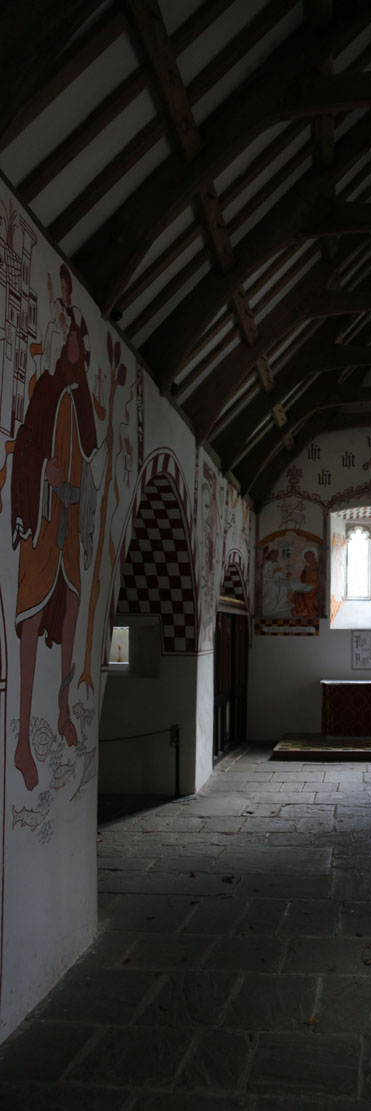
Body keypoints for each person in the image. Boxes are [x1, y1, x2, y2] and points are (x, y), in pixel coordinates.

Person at [10, 264, 98, 790]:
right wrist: (44, 469)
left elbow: (90, 443)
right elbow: (24, 443)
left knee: (70, 615)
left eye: (79, 346)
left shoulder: (77, 392)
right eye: (70, 341)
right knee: (30, 614)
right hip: (43, 519)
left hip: (68, 525)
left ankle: (64, 707)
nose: (73, 350)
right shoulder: (44, 388)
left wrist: (85, 384)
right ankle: (21, 743)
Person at [290, 549, 319, 619]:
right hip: (307, 585)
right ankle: (302, 610)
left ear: (313, 556)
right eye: (306, 557)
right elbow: (302, 579)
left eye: (309, 556)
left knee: (306, 593)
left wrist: (309, 573)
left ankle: (311, 612)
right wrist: (305, 572)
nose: (308, 559)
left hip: (315, 585)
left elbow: (318, 576)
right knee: (297, 592)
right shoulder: (307, 567)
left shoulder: (318, 565)